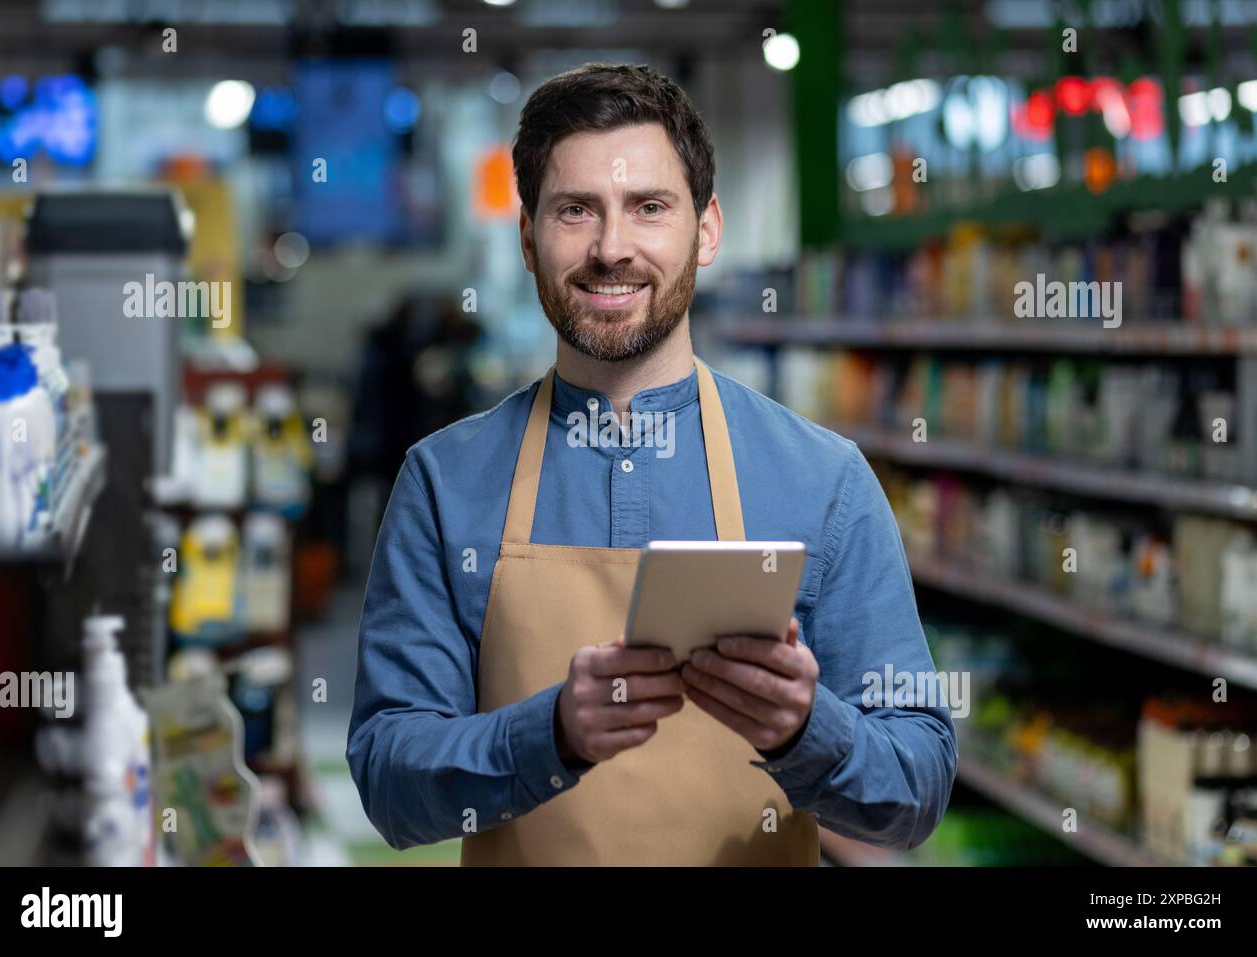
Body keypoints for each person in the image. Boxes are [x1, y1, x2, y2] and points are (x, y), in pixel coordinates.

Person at [347, 63, 957, 866]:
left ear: (706, 230)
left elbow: (917, 790)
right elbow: (392, 784)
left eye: (649, 208)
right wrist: (551, 733)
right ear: (527, 237)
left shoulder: (824, 483)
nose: (611, 249)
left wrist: (810, 729)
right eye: (576, 210)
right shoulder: (444, 482)